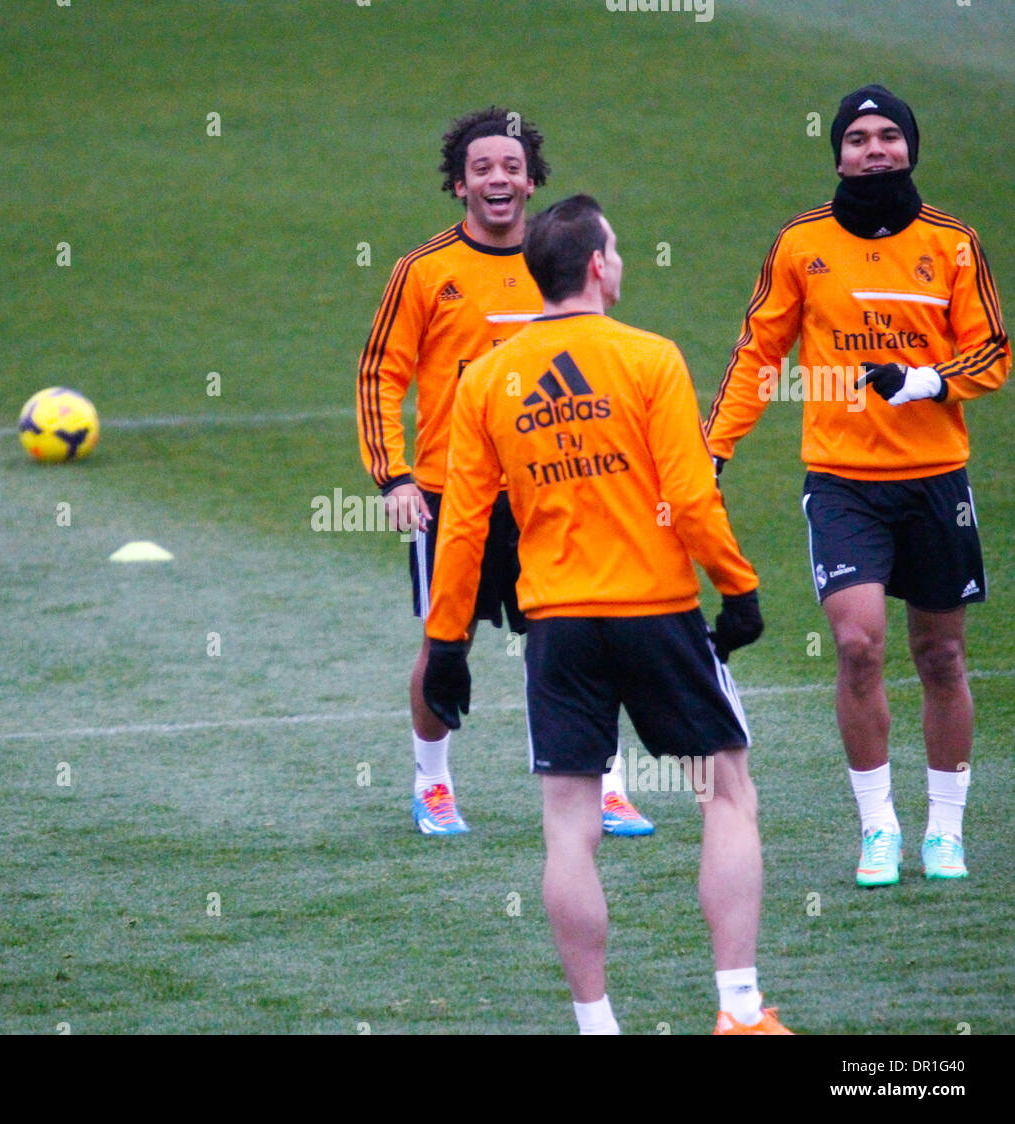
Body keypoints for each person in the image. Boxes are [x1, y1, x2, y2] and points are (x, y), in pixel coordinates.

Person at [422, 194, 790, 1034]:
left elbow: (464, 529)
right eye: (616, 249)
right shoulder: (650, 358)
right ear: (596, 266)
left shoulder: (486, 379)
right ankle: (738, 1012)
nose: (619, 261)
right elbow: (691, 496)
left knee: (569, 825)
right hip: (656, 612)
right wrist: (737, 587)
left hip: (556, 626)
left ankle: (597, 1025)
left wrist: (448, 644)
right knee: (726, 793)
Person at [705, 85, 1009, 887]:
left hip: (934, 480)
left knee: (941, 655)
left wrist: (925, 382)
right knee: (856, 642)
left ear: (910, 147)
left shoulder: (953, 244)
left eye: (887, 137)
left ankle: (945, 829)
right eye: (857, 139)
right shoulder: (800, 244)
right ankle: (879, 827)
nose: (874, 150)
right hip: (842, 483)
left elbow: (994, 355)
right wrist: (714, 452)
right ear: (836, 153)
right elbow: (757, 355)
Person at [356, 107, 653, 836]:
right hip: (449, 495)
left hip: (552, 491)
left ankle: (603, 786)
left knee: (580, 635)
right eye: (483, 167)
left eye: (512, 167)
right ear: (460, 184)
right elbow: (379, 376)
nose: (499, 177)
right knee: (443, 640)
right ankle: (432, 786)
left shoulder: (558, 262)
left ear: (531, 180)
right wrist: (393, 477)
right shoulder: (425, 272)